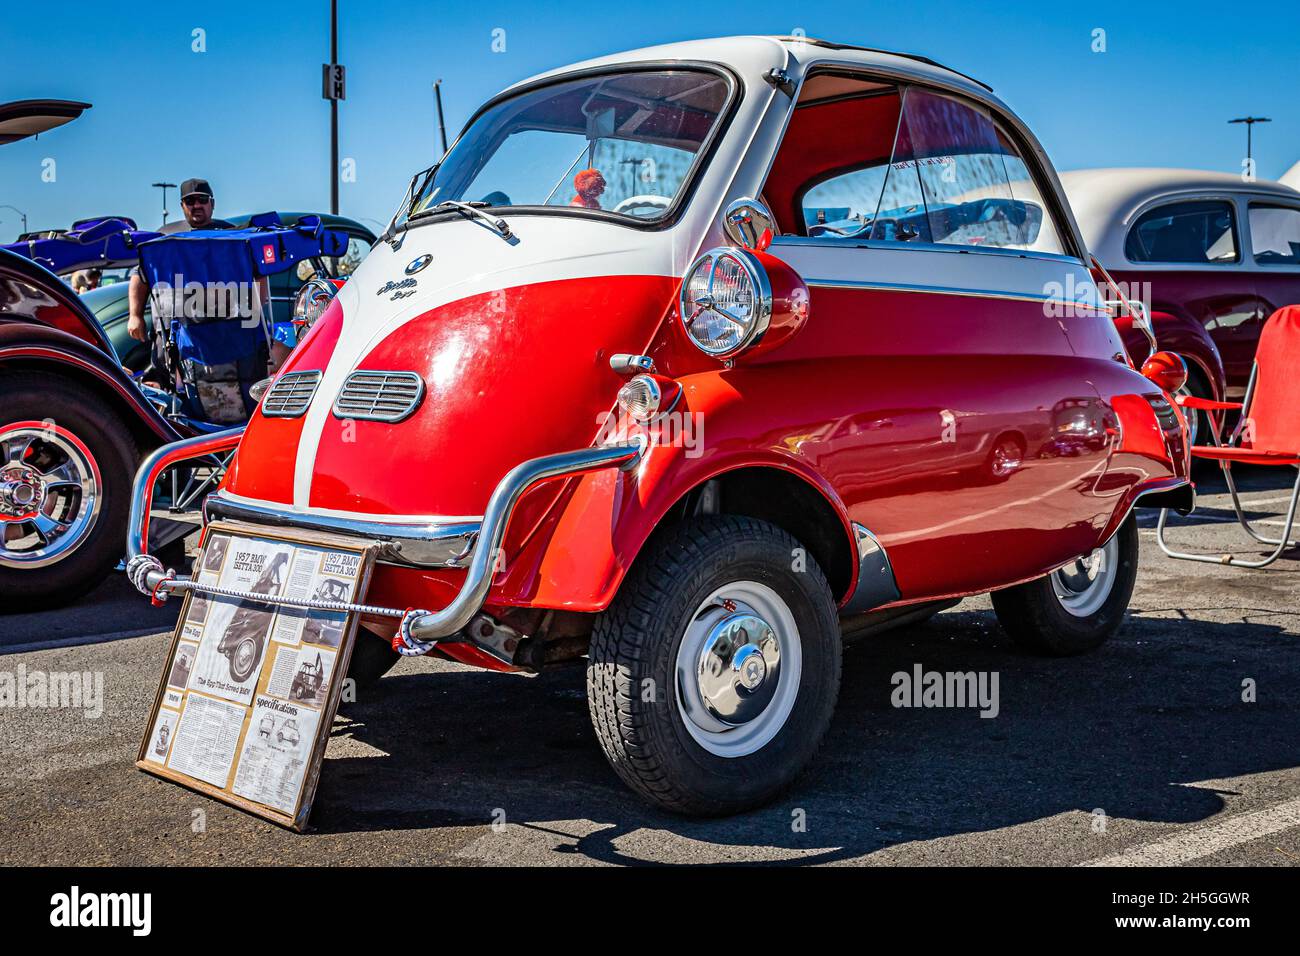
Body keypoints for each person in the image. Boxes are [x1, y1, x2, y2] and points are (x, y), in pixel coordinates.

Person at [126, 178, 233, 343]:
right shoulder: (165, 235)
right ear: (182, 205)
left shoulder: (232, 235)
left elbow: (255, 271)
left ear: (212, 203)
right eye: (190, 201)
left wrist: (257, 312)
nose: (196, 205)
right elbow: (140, 275)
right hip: (172, 332)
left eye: (202, 199)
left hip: (221, 328)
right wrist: (135, 316)